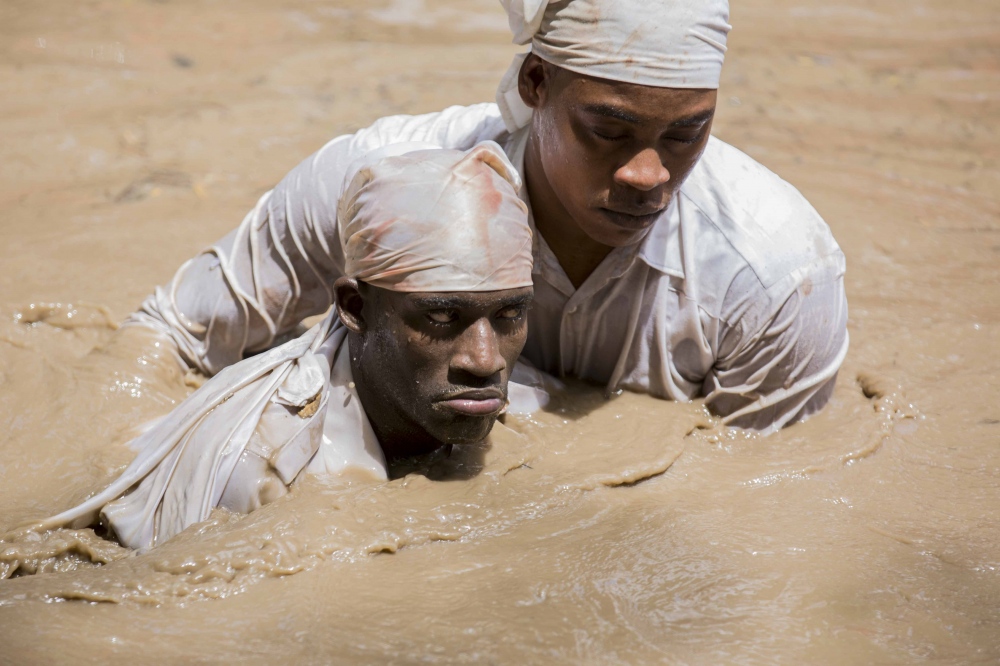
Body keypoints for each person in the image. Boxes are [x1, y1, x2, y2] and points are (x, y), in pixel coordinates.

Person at [126, 0, 848, 434]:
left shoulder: (777, 275)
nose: (648, 175)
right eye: (610, 130)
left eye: (688, 134)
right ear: (536, 84)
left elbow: (753, 499)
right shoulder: (378, 180)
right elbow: (165, 341)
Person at [37, 142, 550, 551]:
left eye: (510, 314)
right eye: (441, 316)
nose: (486, 360)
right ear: (355, 308)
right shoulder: (259, 473)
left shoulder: (521, 401)